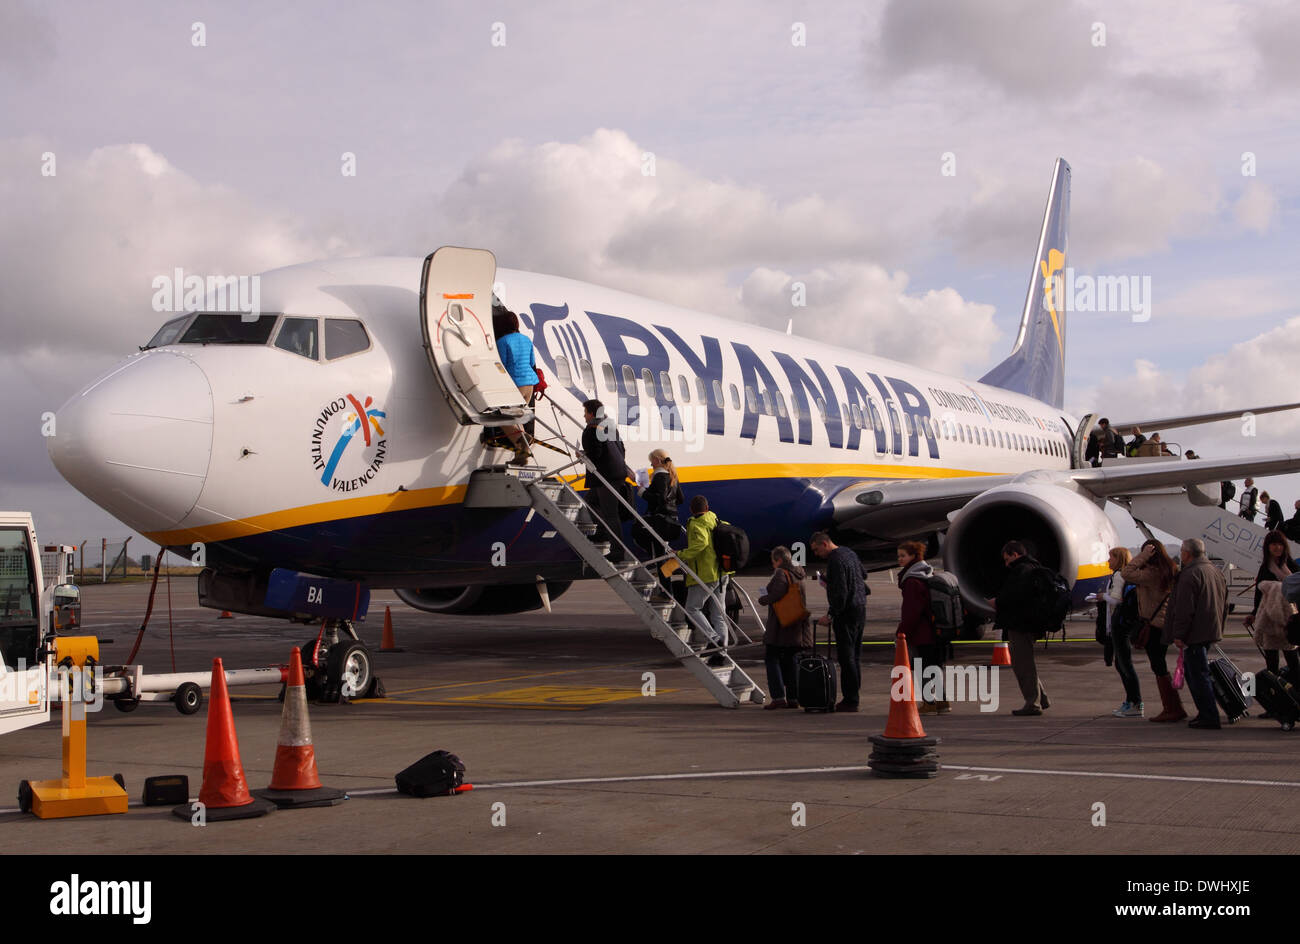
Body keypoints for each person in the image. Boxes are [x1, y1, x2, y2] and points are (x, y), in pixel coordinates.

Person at [1166, 538, 1227, 729]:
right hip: (1209, 629)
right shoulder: (1214, 571)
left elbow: (1184, 609)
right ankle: (1207, 713)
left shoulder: (1190, 574)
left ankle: (1208, 715)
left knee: (1198, 676)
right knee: (1200, 674)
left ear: (1187, 554)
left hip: (1195, 633)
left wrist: (1179, 634)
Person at [1122, 539, 1185, 723]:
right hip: (1164, 623)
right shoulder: (1171, 570)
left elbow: (1127, 573)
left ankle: (1172, 708)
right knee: (1160, 665)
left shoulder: (1151, 574)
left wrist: (1143, 556)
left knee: (1158, 666)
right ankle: (1174, 706)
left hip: (1154, 625)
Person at [811, 531, 868, 712]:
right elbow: (863, 574)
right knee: (856, 654)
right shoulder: (849, 553)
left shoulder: (835, 560)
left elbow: (841, 593)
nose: (816, 554)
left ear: (825, 544)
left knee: (846, 657)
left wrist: (831, 615)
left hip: (846, 612)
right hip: (860, 608)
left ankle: (851, 699)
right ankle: (855, 692)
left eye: (816, 549)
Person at [992, 540, 1051, 715]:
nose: (1006, 564)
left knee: (1023, 664)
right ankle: (1041, 698)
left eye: (1007, 559)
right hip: (1028, 623)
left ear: (1015, 554)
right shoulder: (1033, 567)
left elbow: (1014, 597)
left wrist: (996, 601)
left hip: (1021, 624)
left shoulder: (1021, 570)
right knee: (1025, 663)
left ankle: (1033, 703)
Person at [1244, 530, 1300, 699]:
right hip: (1270, 618)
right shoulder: (1265, 567)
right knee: (1271, 663)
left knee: (1293, 660)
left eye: (1280, 544)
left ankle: (1295, 699)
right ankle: (1276, 701)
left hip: (1290, 618)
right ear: (1267, 547)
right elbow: (1259, 595)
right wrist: (1253, 614)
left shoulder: (1291, 565)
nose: (1277, 547)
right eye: (1273, 544)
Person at [757, 546, 813, 710]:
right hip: (796, 621)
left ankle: (778, 697)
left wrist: (763, 599)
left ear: (779, 560)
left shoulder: (781, 573)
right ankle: (793, 697)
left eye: (773, 561)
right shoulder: (799, 571)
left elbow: (777, 594)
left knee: (772, 658)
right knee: (791, 660)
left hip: (782, 624)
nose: (773, 565)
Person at [897, 541, 948, 714]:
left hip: (921, 633)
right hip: (935, 630)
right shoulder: (926, 575)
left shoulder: (912, 581)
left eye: (903, 556)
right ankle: (942, 702)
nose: (900, 560)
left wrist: (902, 632)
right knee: (935, 667)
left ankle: (929, 703)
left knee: (922, 669)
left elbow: (912, 612)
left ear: (913, 557)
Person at [579, 399, 632, 561]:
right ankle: (602, 532)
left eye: (585, 413)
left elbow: (596, 454)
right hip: (616, 473)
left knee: (611, 514)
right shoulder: (610, 427)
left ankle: (617, 552)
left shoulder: (592, 429)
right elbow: (622, 449)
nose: (584, 416)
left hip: (605, 477)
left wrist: (583, 455)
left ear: (592, 413)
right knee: (590, 501)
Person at [678, 495, 728, 660]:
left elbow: (701, 543)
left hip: (706, 574)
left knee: (692, 608)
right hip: (722, 573)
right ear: (707, 507)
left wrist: (681, 555)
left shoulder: (696, 523)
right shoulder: (715, 519)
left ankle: (713, 638)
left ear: (692, 510)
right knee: (719, 614)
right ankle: (722, 652)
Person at [491, 307, 539, 465]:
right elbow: (532, 362)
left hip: (515, 384)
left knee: (501, 418)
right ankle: (522, 452)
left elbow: (501, 365)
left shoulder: (502, 341)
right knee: (516, 418)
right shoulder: (526, 339)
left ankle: (521, 440)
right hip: (529, 384)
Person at [1102, 547, 1143, 717]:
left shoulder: (1119, 575)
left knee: (1125, 665)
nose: (1108, 561)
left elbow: (1116, 599)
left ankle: (1135, 703)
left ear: (1118, 559)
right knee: (1121, 664)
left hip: (1120, 626)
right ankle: (1130, 700)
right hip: (1121, 625)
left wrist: (1101, 597)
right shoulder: (1121, 575)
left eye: (1111, 557)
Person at [637, 449, 684, 554]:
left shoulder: (659, 477)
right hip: (672, 519)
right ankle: (666, 564)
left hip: (660, 520)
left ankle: (661, 567)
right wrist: (670, 506)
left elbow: (661, 499)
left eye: (652, 461)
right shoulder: (672, 476)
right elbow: (681, 499)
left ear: (657, 461)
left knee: (639, 532)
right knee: (663, 547)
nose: (651, 465)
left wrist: (642, 492)